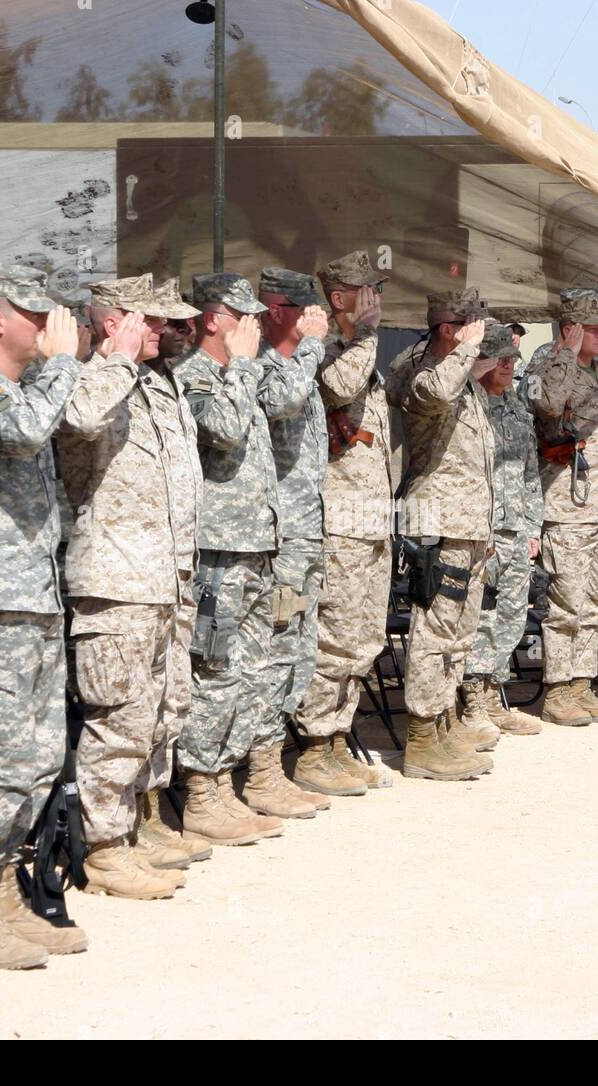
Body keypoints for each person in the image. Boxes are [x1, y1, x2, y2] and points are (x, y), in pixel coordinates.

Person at [0, 261, 88, 968]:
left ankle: (4, 891)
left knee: (35, 755)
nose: (48, 326)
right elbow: (29, 433)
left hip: (31, 594)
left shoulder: (17, 383)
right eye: (34, 314)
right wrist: (62, 366)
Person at [57, 274, 207, 900]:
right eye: (150, 321)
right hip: (115, 578)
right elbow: (81, 419)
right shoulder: (86, 378)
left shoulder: (156, 382)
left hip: (165, 576)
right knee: (117, 717)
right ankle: (103, 849)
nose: (165, 331)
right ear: (116, 321)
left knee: (161, 708)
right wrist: (114, 354)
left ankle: (138, 821)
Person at [175, 273, 284, 844]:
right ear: (213, 319)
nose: (256, 326)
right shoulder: (193, 376)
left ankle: (229, 780)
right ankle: (201, 788)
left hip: (255, 542)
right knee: (215, 670)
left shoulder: (233, 375)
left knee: (249, 669)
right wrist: (241, 369)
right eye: (244, 316)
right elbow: (223, 429)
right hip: (219, 547)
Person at [247, 267, 352, 810]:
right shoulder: (265, 367)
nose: (316, 320)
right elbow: (279, 404)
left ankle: (281, 762)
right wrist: (311, 349)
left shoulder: (300, 367)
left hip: (306, 531)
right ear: (277, 311)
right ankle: (262, 771)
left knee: (299, 653)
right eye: (304, 310)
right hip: (279, 536)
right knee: (275, 650)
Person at [293, 250, 394, 791]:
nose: (376, 301)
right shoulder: (329, 349)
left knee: (363, 639)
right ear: (339, 299)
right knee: (333, 638)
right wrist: (368, 335)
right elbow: (337, 389)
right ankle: (313, 747)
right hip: (340, 521)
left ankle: (337, 740)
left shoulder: (362, 351)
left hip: (370, 518)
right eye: (367, 291)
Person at [388, 289, 496, 780]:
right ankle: (421, 736)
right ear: (450, 329)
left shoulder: (461, 374)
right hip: (438, 522)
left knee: (460, 631)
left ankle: (445, 724)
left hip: (468, 522)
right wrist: (468, 350)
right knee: (434, 631)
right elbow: (434, 395)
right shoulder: (425, 370)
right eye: (472, 326)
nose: (481, 335)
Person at [524, 286, 598, 726]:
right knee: (565, 603)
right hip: (568, 504)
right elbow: (545, 403)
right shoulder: (546, 367)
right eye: (593, 328)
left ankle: (583, 684)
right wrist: (565, 353)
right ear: (570, 330)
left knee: (596, 602)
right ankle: (557, 690)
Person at [461, 321, 543, 736]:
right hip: (483, 529)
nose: (510, 366)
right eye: (501, 359)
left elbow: (530, 473)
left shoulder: (516, 408)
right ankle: (472, 699)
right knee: (481, 616)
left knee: (511, 616)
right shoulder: (468, 404)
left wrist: (533, 527)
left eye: (513, 359)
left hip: (515, 528)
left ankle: (494, 692)